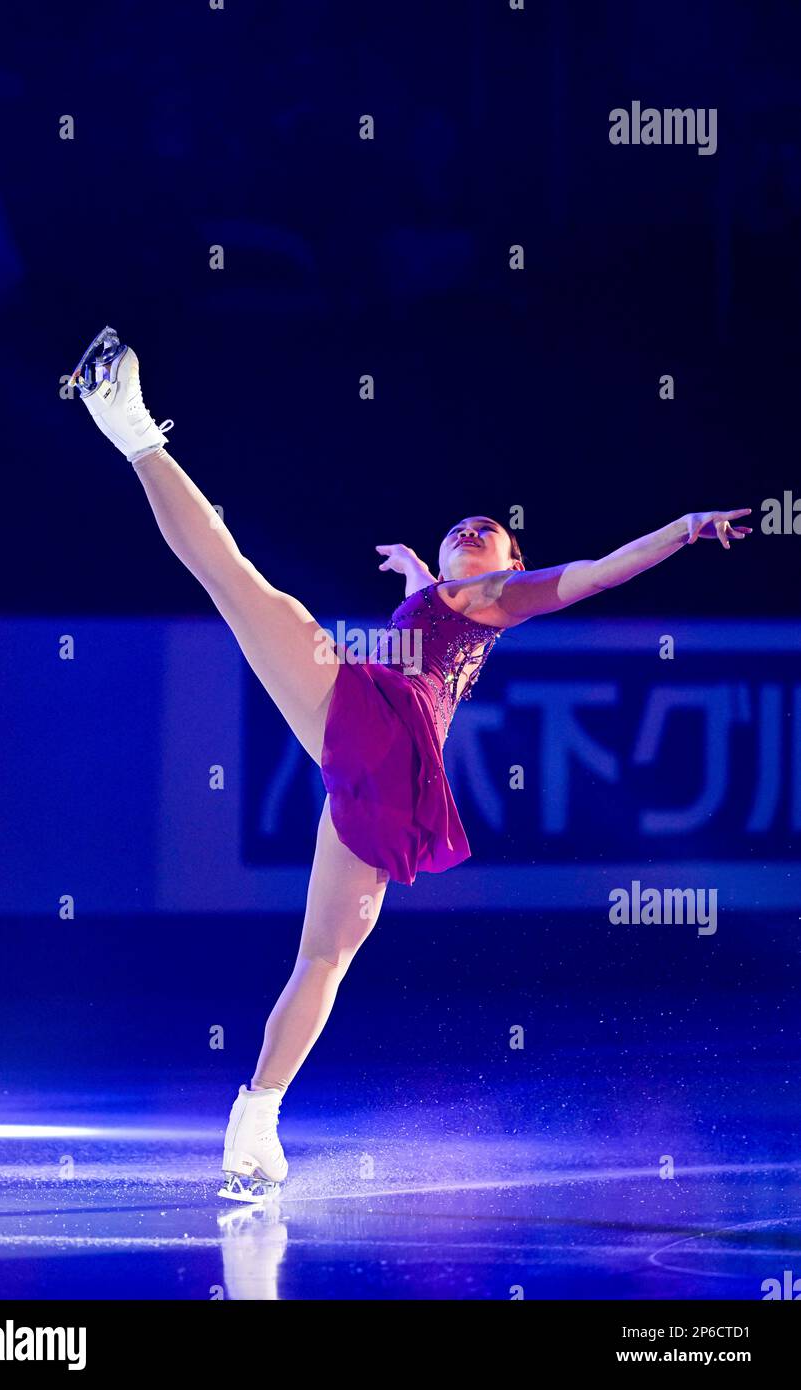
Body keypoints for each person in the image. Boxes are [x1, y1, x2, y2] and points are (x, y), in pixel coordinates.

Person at [70, 327, 751, 1201]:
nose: (477, 527)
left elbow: (602, 570)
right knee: (239, 586)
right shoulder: (441, 598)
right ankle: (129, 426)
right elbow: (428, 622)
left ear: (511, 564)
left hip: (388, 749)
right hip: (368, 741)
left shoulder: (504, 597)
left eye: (493, 531)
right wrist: (411, 578)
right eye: (461, 528)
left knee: (324, 955)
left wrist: (685, 529)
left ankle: (256, 1120)